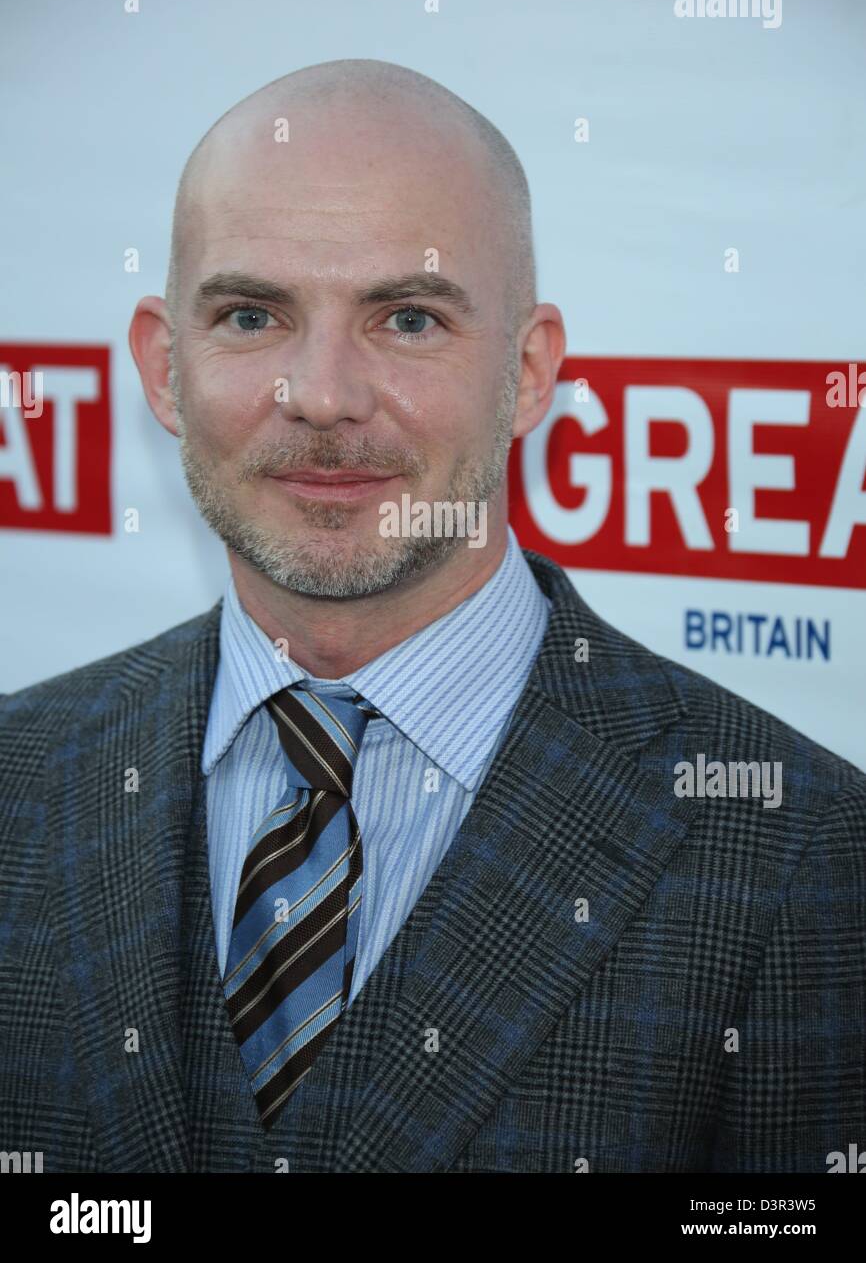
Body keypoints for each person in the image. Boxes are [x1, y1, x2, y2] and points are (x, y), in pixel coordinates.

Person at [0, 59, 863, 1174]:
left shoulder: (802, 852)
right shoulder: (18, 776)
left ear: (529, 368)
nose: (321, 394)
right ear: (166, 369)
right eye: (251, 314)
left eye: (406, 318)